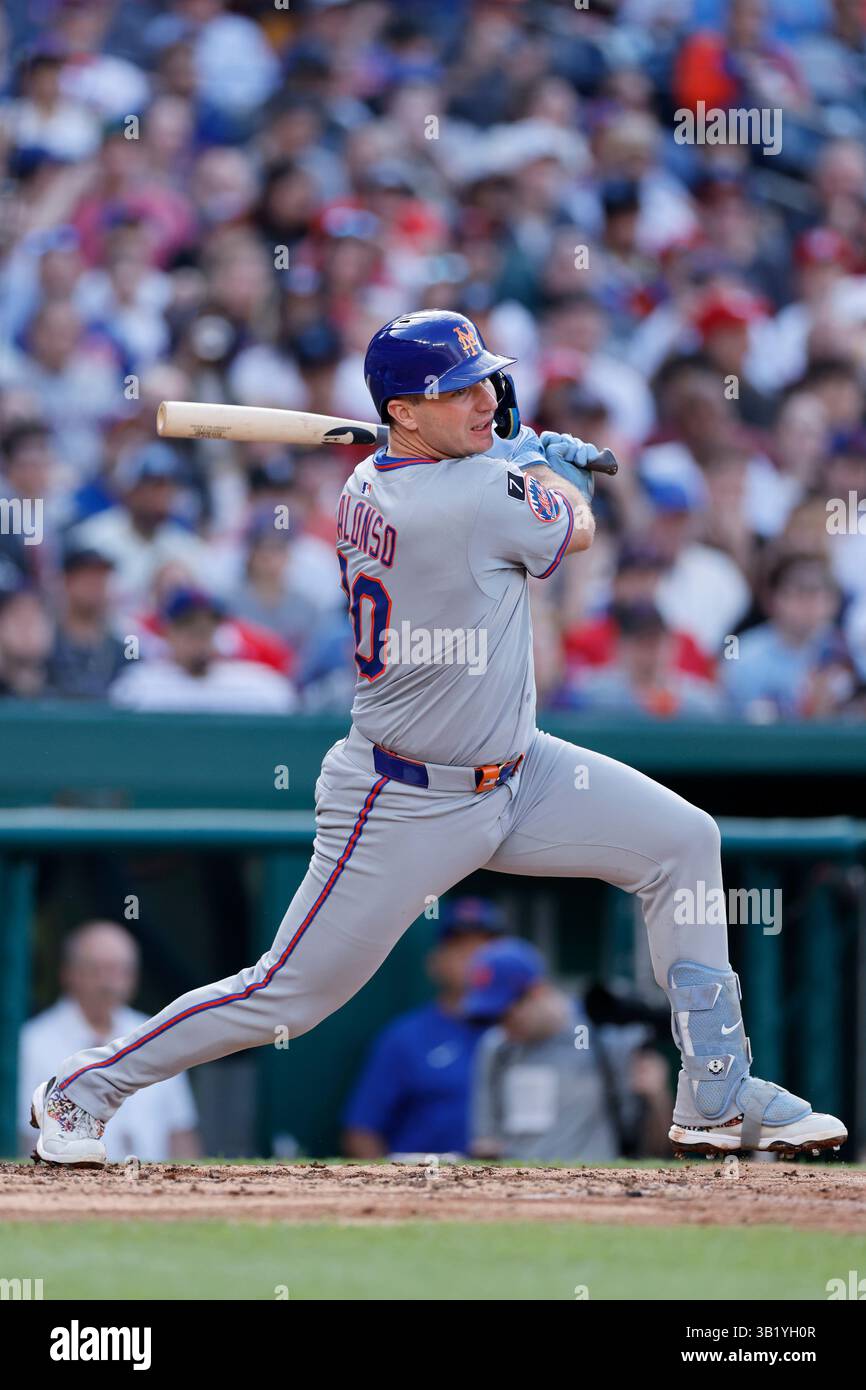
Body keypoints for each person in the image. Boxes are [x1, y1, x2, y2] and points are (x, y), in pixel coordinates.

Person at [30, 309, 846, 1167]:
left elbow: (485, 486)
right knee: (284, 998)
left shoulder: (375, 480)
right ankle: (83, 1088)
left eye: (483, 381)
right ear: (404, 413)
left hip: (520, 771)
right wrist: (544, 469)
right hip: (404, 800)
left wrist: (507, 459)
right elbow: (577, 527)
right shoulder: (468, 495)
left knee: (683, 841)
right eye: (456, 391)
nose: (485, 400)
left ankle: (717, 1090)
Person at [466, 940, 671, 1163]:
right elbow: (486, 1139)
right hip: (519, 1181)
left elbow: (655, 1146)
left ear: (537, 992)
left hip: (593, 1179)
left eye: (505, 1014)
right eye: (493, 1018)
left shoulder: (603, 1035)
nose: (502, 1026)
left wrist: (657, 1097)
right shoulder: (496, 1047)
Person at [19, 921, 200, 1163]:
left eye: (119, 971)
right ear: (68, 973)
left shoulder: (159, 1034)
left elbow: (180, 1134)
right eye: (95, 970)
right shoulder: (31, 1044)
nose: (108, 983)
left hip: (152, 1184)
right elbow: (25, 1140)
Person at [341, 897, 508, 1159]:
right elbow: (361, 1132)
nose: (476, 959)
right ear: (435, 962)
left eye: (486, 948)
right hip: (427, 1177)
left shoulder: (525, 1031)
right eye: (460, 949)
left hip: (512, 1179)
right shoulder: (405, 1037)